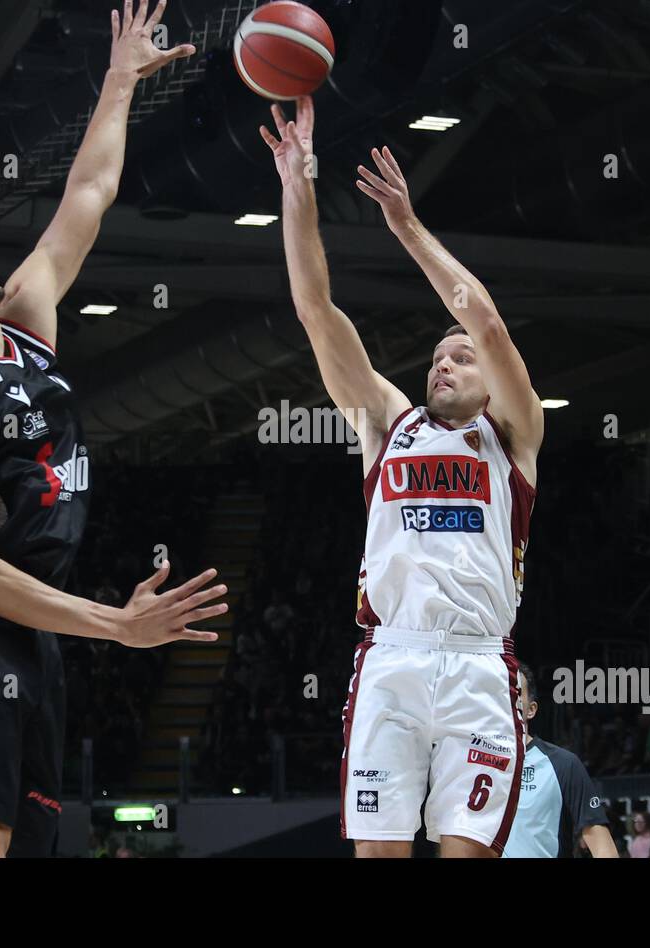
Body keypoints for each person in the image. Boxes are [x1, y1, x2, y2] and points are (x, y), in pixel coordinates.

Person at [0, 0, 224, 858]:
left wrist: (119, 82)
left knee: (29, 848)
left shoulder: (24, 326)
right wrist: (115, 625)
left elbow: (87, 193)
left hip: (33, 630)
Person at [261, 97, 544, 858]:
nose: (444, 363)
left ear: (492, 382)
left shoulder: (512, 436)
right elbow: (316, 309)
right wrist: (299, 185)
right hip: (392, 657)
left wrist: (407, 227)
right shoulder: (388, 423)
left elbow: (485, 322)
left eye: (460, 359)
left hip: (482, 665)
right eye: (436, 357)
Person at [501, 668, 617, 858]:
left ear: (531, 709)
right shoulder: (472, 765)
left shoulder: (563, 764)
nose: (507, 697)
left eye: (515, 691)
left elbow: (602, 844)